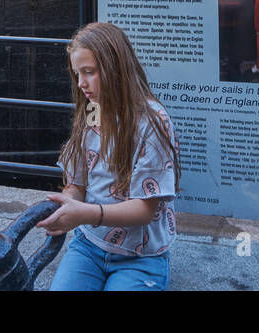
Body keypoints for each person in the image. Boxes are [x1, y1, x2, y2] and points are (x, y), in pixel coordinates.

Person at [39, 22, 180, 291]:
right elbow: (77, 185)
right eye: (77, 74)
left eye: (89, 73)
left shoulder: (152, 121)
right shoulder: (92, 111)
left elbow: (145, 210)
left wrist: (84, 214)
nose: (81, 83)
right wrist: (67, 206)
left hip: (140, 257)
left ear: (114, 68)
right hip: (90, 245)